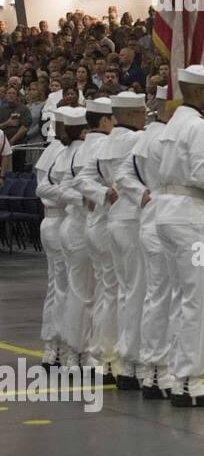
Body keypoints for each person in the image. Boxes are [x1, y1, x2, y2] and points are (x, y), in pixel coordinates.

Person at [151, 66, 204, 408]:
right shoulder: (198, 126)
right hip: (188, 220)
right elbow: (202, 175)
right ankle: (188, 381)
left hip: (168, 215)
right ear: (198, 93)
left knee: (176, 296)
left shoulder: (174, 123)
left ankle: (174, 374)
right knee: (195, 299)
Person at [131, 85, 177, 399]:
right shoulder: (165, 137)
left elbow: (124, 173)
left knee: (153, 296)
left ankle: (151, 371)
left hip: (148, 220)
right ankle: (160, 370)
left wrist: (139, 193)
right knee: (168, 298)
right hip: (165, 221)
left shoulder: (143, 136)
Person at [71, 97, 120, 381]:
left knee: (103, 291)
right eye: (113, 119)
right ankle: (106, 356)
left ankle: (97, 352)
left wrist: (93, 194)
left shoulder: (86, 146)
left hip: (91, 224)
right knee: (110, 293)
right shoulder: (102, 144)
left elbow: (79, 180)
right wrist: (103, 194)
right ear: (104, 121)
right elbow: (86, 182)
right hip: (103, 223)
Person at [102, 92, 147, 391]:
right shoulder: (134, 140)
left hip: (113, 218)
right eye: (142, 112)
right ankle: (134, 361)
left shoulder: (106, 142)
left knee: (120, 292)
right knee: (138, 292)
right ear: (131, 114)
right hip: (132, 218)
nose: (146, 116)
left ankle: (115, 357)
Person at [54, 106, 92, 373]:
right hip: (81, 226)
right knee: (84, 294)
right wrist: (87, 200)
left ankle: (71, 351)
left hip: (69, 224)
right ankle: (79, 352)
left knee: (73, 292)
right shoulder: (83, 152)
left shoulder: (67, 154)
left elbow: (62, 190)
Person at [34, 111, 70, 370]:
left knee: (56, 286)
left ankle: (52, 348)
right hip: (61, 220)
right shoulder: (62, 153)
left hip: (50, 221)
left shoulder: (50, 151)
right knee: (65, 287)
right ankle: (60, 347)